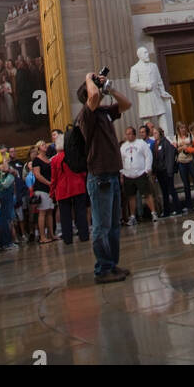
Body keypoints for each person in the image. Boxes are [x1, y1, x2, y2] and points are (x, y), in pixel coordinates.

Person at [76, 70, 133, 284]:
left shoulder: (104, 112)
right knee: (101, 226)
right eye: (97, 90)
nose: (99, 92)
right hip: (99, 176)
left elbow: (127, 104)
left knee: (114, 224)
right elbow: (91, 97)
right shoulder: (86, 115)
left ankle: (111, 263)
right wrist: (88, 78)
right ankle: (102, 268)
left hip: (112, 174)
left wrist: (111, 88)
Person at [49, 129, 89, 246]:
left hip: (62, 189)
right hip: (77, 186)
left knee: (65, 215)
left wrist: (52, 192)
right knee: (80, 212)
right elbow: (82, 171)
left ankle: (68, 238)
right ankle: (84, 235)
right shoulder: (74, 155)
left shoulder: (55, 159)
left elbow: (54, 178)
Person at [120, 127, 158, 225]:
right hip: (128, 174)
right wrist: (122, 172)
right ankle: (133, 216)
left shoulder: (141, 143)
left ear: (134, 134)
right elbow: (121, 160)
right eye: (126, 134)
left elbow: (148, 155)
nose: (128, 136)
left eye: (130, 134)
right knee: (131, 196)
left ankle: (153, 213)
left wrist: (147, 169)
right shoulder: (123, 146)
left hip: (140, 173)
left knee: (147, 193)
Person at [174, 122, 194, 212]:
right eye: (181, 128)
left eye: (184, 128)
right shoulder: (176, 137)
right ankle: (188, 205)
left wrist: (187, 147)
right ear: (178, 129)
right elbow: (175, 149)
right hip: (181, 162)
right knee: (186, 184)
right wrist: (182, 147)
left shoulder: (190, 136)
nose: (183, 130)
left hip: (190, 160)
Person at [152, 127, 182, 217]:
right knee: (164, 191)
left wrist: (169, 171)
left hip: (166, 170)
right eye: (153, 133)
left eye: (156, 133)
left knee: (171, 189)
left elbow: (169, 157)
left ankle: (178, 208)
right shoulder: (155, 145)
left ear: (160, 133)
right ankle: (166, 211)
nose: (154, 135)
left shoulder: (165, 143)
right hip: (159, 171)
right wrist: (154, 171)